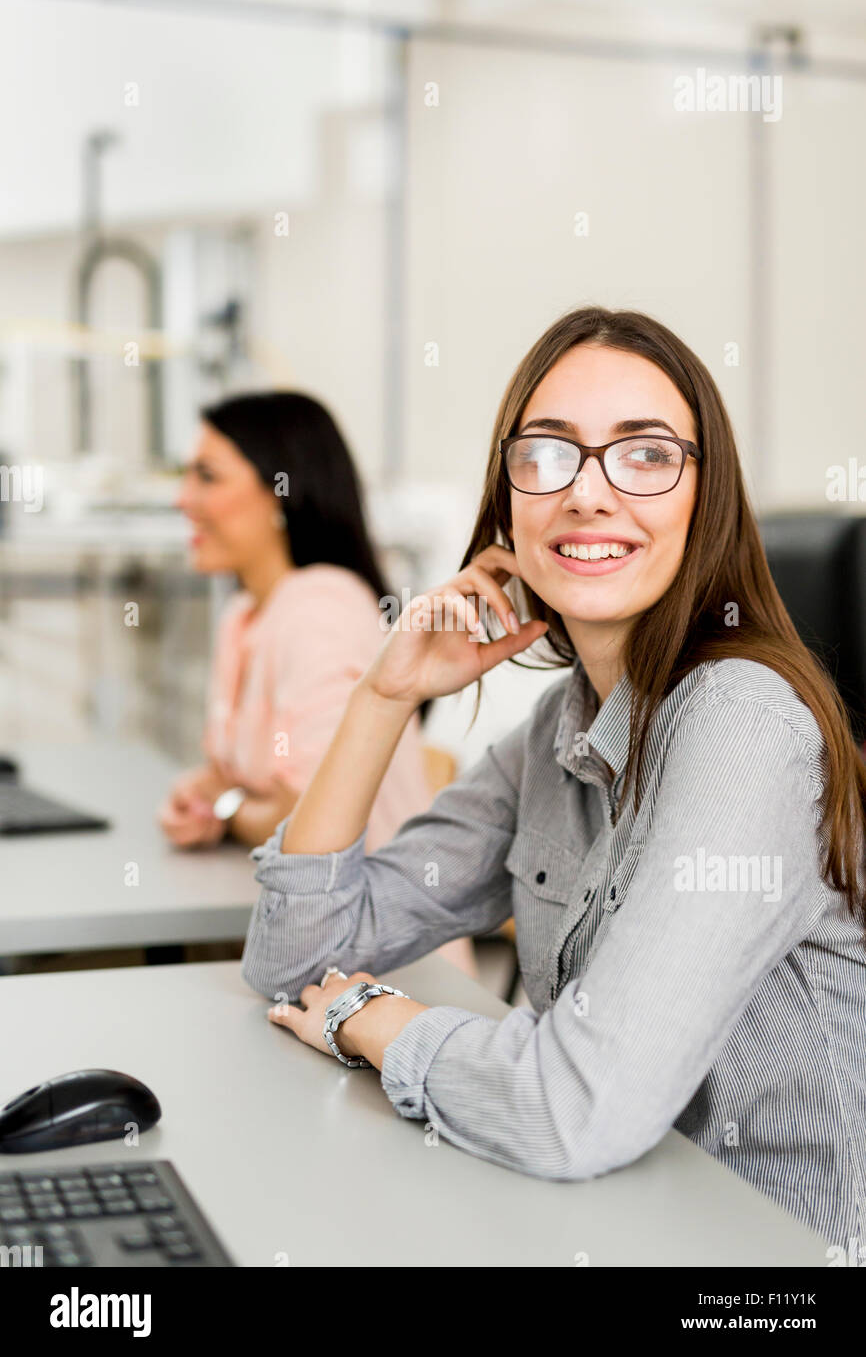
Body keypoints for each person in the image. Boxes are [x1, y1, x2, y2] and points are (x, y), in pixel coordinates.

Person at [241, 308, 866, 1248]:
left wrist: (374, 1019)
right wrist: (382, 696)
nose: (588, 493)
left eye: (646, 455)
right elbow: (294, 957)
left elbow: (579, 1108)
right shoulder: (560, 731)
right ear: (508, 498)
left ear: (709, 499)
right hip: (610, 1221)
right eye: (549, 453)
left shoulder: (742, 720)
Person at [158, 390, 479, 978]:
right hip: (311, 949)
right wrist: (199, 791)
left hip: (388, 970)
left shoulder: (321, 608)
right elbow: (238, 771)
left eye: (208, 477)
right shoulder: (246, 612)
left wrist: (224, 812)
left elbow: (301, 816)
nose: (185, 500)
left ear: (282, 490)